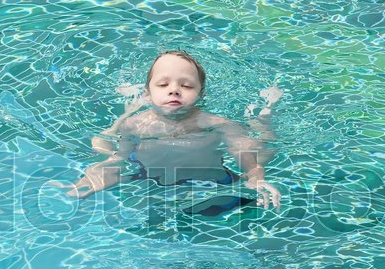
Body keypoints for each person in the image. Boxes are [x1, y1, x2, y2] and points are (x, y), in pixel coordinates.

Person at [49, 50, 282, 210]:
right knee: (103, 143)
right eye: (163, 85)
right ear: (148, 94)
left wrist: (256, 178)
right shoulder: (136, 125)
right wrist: (89, 180)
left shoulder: (216, 124)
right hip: (149, 175)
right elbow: (117, 159)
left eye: (186, 85)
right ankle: (128, 108)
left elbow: (243, 151)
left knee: (264, 149)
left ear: (201, 94)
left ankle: (263, 119)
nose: (174, 90)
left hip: (213, 178)